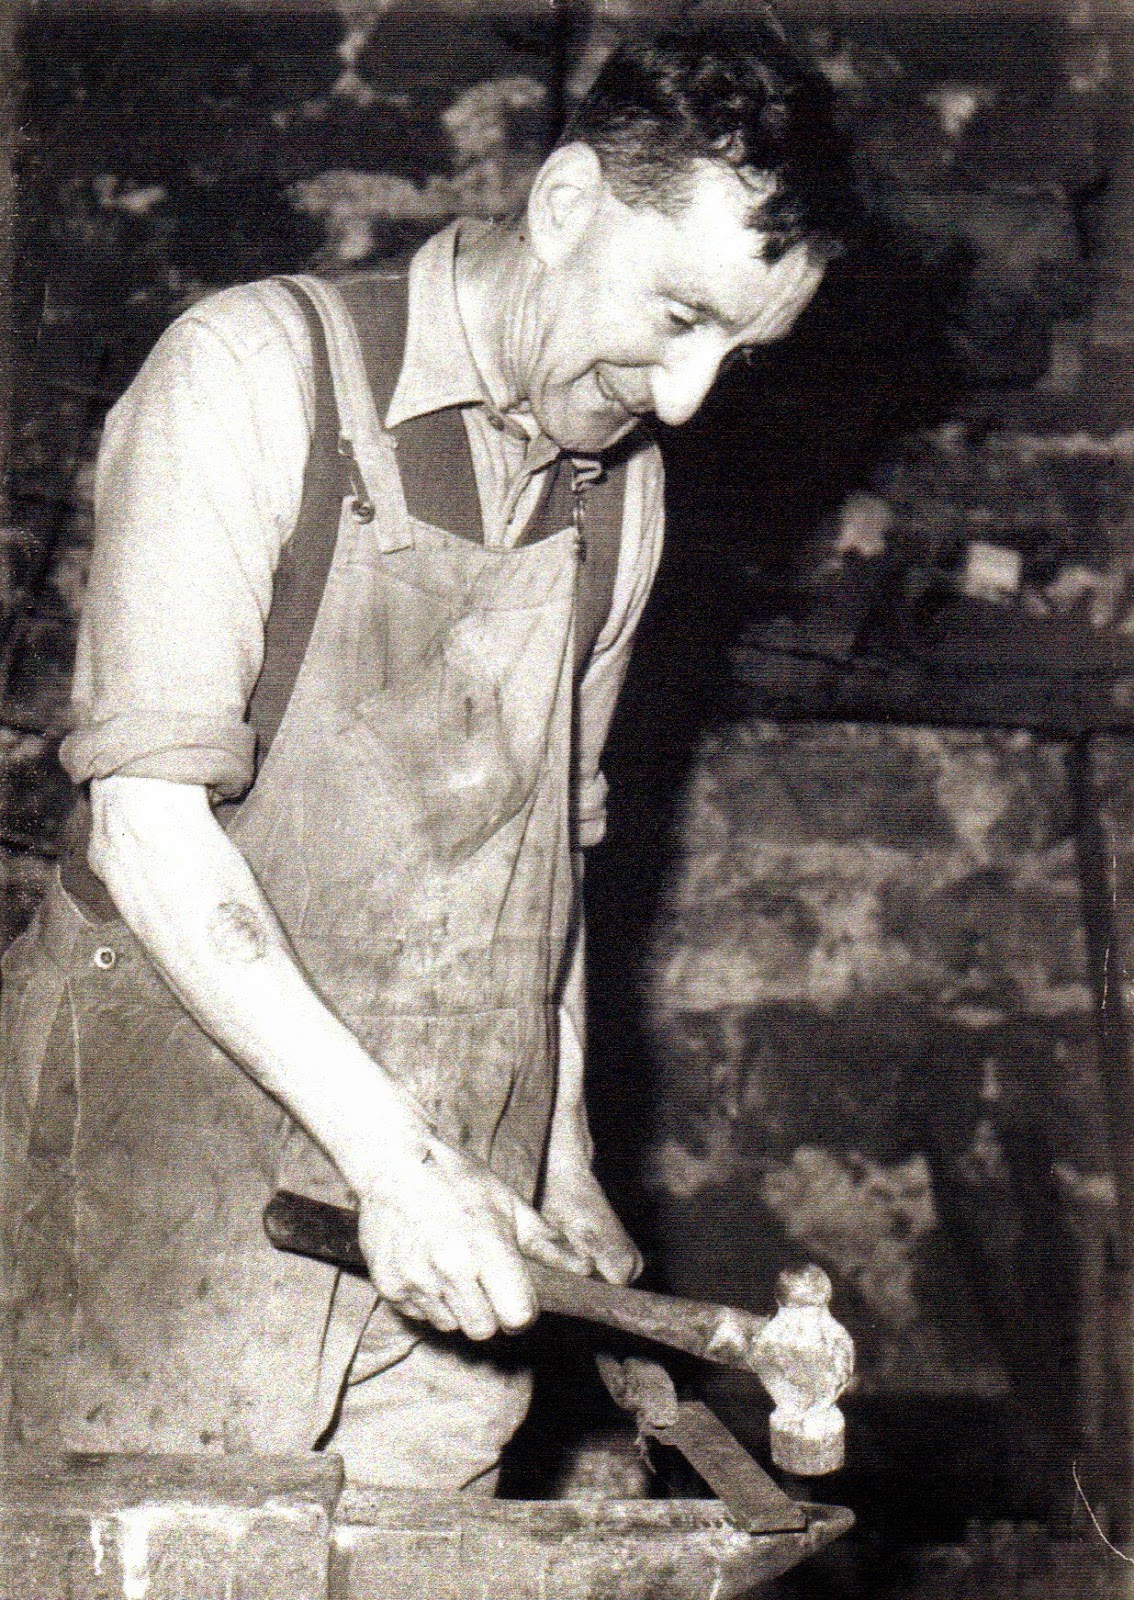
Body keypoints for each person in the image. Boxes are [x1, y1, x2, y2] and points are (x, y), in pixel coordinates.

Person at [0, 22, 857, 1487]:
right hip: (174, 1172)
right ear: (568, 204)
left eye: (739, 349)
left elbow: (547, 856)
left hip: (460, 1222)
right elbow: (147, 825)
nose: (687, 396)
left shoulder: (618, 498)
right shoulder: (249, 378)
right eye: (676, 315)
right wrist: (396, 1167)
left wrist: (561, 1149)